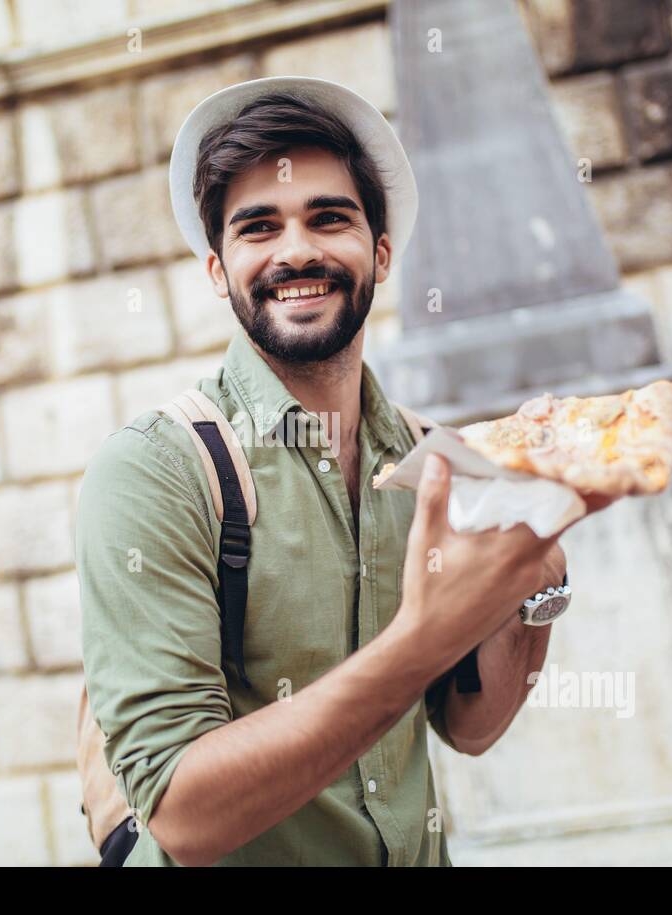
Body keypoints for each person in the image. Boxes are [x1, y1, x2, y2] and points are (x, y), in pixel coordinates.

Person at [76, 76, 609, 867]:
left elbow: (470, 728)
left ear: (381, 253)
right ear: (218, 269)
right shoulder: (156, 471)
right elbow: (184, 818)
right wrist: (422, 640)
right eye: (259, 228)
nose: (297, 250)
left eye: (329, 218)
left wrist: (534, 588)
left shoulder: (440, 463)